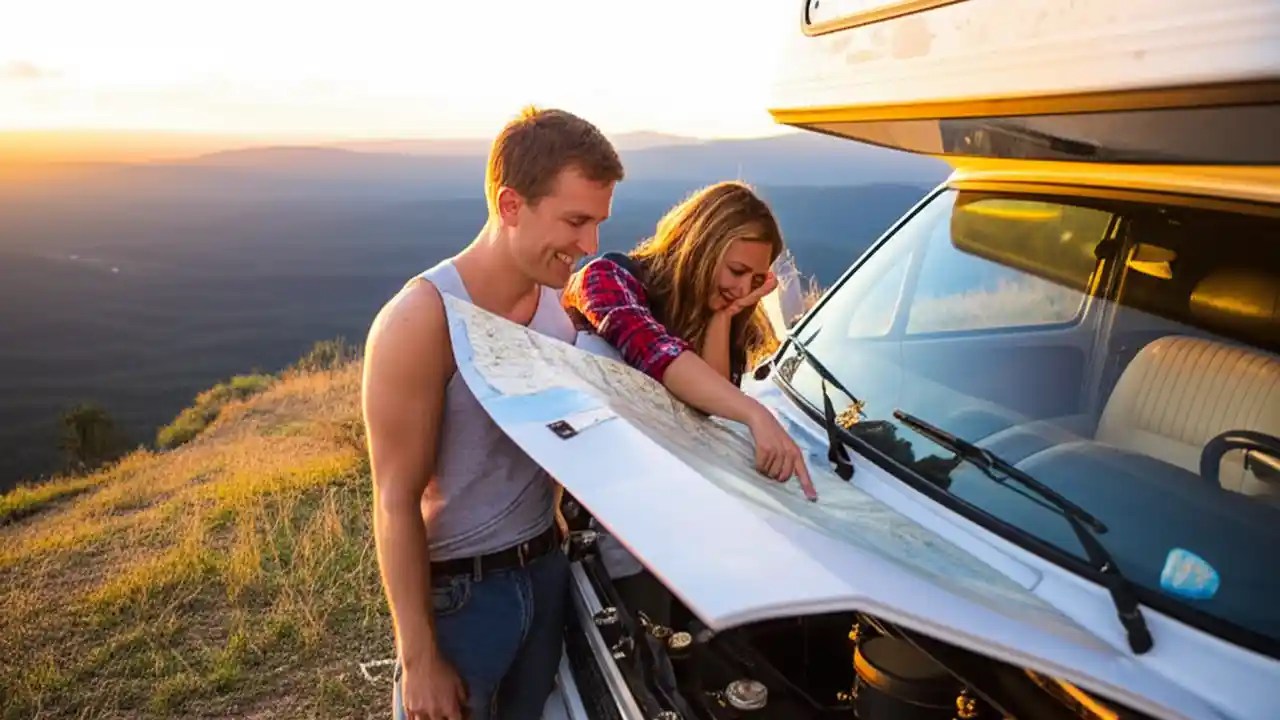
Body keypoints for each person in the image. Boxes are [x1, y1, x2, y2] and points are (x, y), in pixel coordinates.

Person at [361, 106, 624, 720]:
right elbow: (394, 500)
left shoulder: (560, 302)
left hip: (548, 569)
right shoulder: (420, 319)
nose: (590, 247)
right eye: (576, 221)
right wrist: (419, 659)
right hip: (462, 599)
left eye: (598, 224)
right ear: (511, 206)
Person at [561, 180, 818, 624]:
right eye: (736, 270)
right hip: (587, 526)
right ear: (701, 245)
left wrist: (722, 316)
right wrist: (755, 413)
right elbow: (655, 353)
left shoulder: (721, 309)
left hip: (663, 526)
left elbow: (709, 405)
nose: (743, 288)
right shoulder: (608, 278)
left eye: (757, 280)